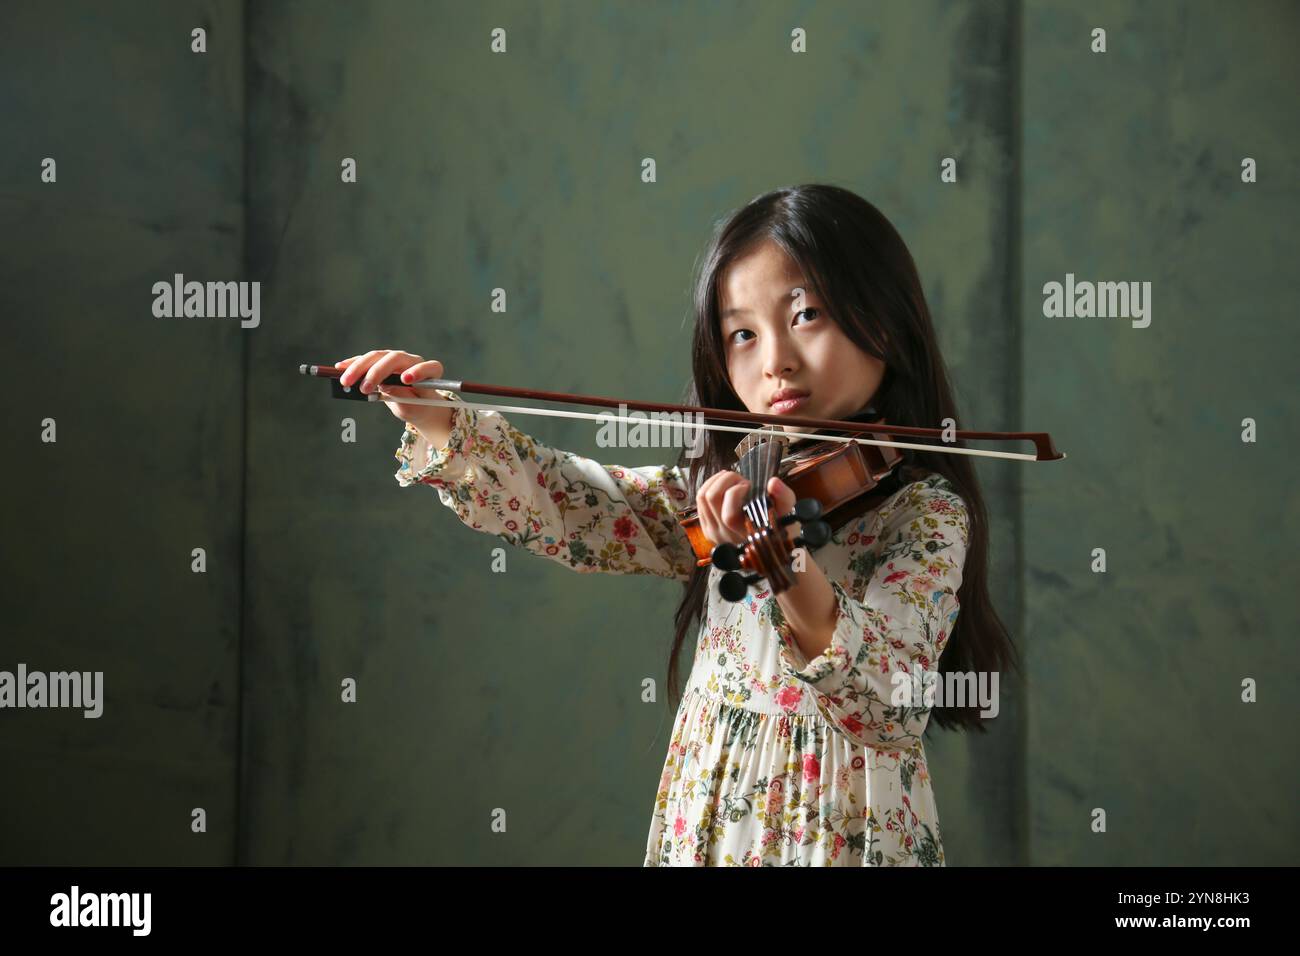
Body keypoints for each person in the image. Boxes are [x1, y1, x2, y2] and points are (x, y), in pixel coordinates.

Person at [334, 183, 1018, 866]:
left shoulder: (923, 513)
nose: (774, 359)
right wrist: (440, 423)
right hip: (714, 819)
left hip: (842, 834)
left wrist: (781, 560)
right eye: (742, 333)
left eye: (806, 314)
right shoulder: (722, 492)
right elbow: (583, 508)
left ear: (887, 323)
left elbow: (889, 702)